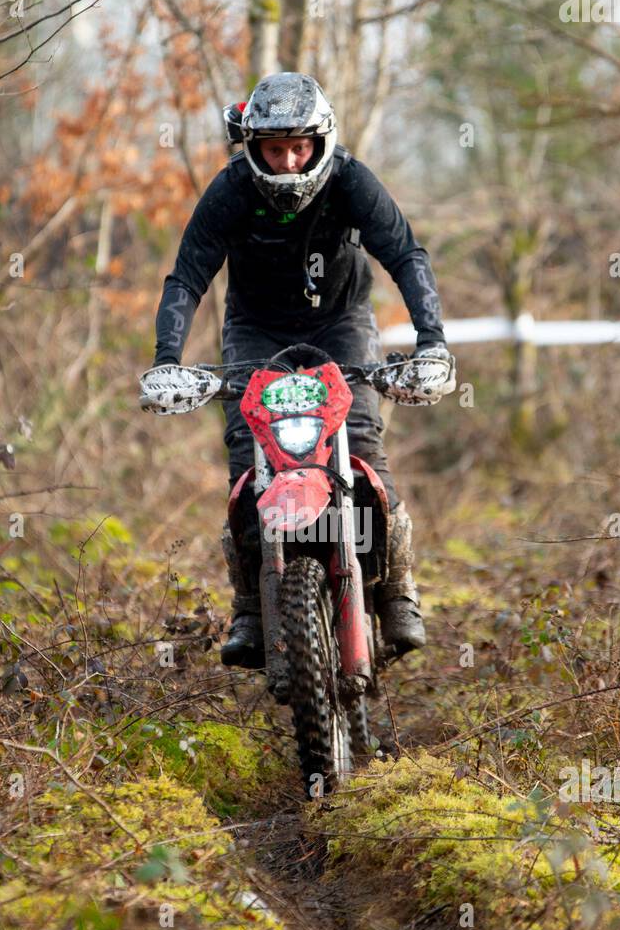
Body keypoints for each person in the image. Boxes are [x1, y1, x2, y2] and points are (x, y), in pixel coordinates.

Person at [151, 71, 452, 668]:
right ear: (253, 146)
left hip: (340, 325)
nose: (288, 162)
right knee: (248, 458)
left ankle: (397, 588)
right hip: (254, 331)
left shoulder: (350, 180)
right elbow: (187, 277)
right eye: (274, 149)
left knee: (362, 439)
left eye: (300, 148)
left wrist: (433, 344)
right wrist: (167, 363)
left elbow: (406, 256)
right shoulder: (232, 191)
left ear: (320, 141)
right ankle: (251, 607)